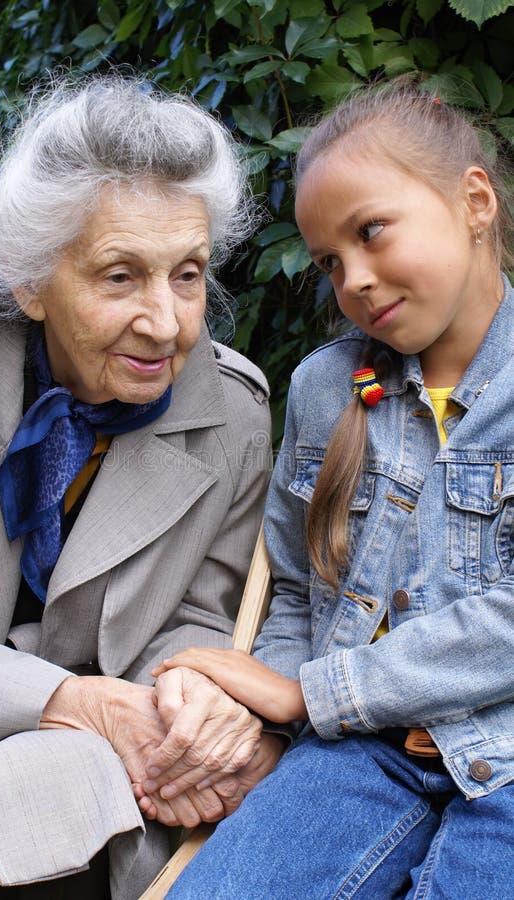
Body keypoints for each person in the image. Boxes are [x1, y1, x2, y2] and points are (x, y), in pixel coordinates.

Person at [0, 73, 274, 900]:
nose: (167, 323)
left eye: (188, 274)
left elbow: (200, 617)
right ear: (30, 282)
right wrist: (69, 698)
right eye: (120, 276)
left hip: (114, 751)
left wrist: (187, 712)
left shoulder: (234, 415)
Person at [154, 82, 514, 898]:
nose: (352, 278)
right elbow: (293, 588)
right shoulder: (327, 386)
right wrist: (269, 724)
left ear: (475, 200)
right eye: (328, 261)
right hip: (357, 751)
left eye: (372, 231)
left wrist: (308, 694)